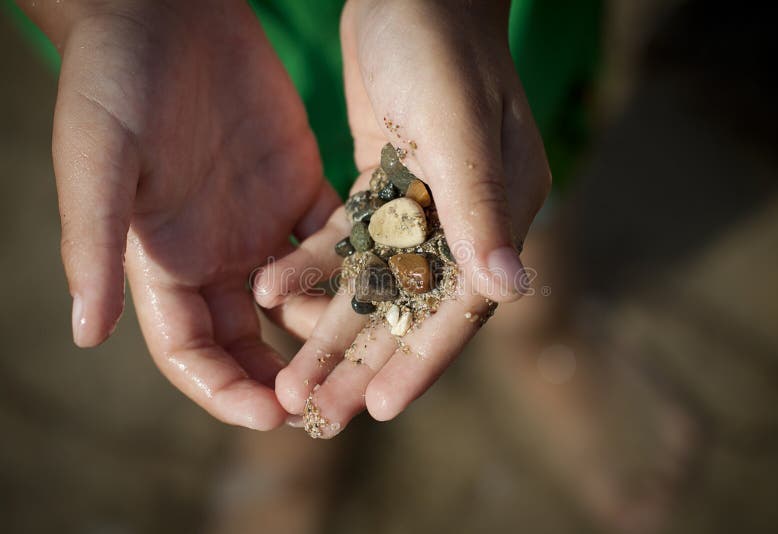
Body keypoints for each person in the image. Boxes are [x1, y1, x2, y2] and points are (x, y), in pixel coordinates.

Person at [20, 0, 551, 435]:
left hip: (456, 50)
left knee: (491, 199)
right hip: (212, 82)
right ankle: (287, 423)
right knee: (261, 287)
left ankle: (541, 337)